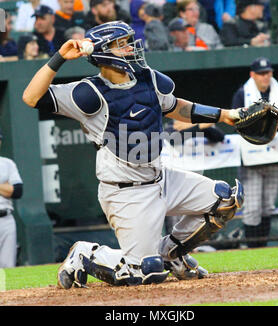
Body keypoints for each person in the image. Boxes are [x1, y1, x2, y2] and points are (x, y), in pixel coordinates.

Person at [22, 21, 244, 288]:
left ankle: (170, 255)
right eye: (121, 44)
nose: (130, 47)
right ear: (104, 53)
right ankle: (85, 254)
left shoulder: (148, 78)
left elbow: (175, 107)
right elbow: (31, 98)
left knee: (225, 200)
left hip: (162, 178)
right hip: (126, 193)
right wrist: (59, 58)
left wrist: (226, 115)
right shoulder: (88, 93)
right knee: (141, 273)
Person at [231, 57, 278, 248]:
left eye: (268, 72)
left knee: (268, 206)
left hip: (274, 157)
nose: (265, 76)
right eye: (261, 73)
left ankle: (262, 247)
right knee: (252, 208)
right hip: (251, 159)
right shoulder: (242, 93)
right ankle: (252, 247)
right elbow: (236, 122)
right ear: (252, 75)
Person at [0, 128, 23, 268]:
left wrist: (10, 189)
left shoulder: (7, 164)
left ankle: (6, 291)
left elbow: (17, 191)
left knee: (8, 267)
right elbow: (9, 190)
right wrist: (4, 186)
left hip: (6, 219)